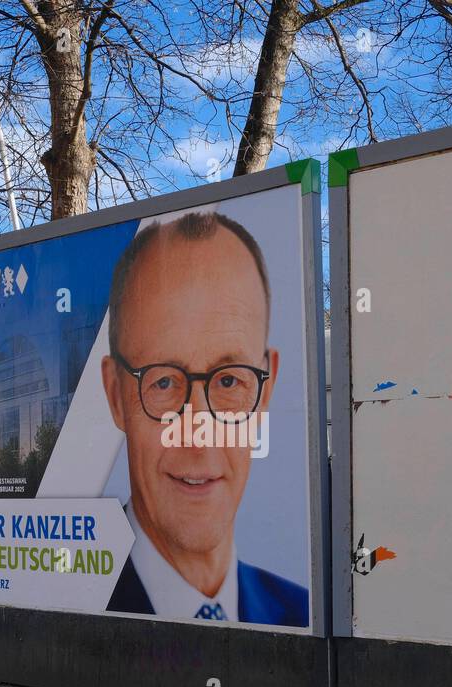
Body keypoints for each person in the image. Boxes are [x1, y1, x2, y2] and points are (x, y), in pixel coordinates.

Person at [100, 211, 308, 627]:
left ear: (265, 389)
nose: (198, 438)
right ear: (116, 394)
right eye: (163, 383)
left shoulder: (299, 612)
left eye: (229, 380)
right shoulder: (79, 597)